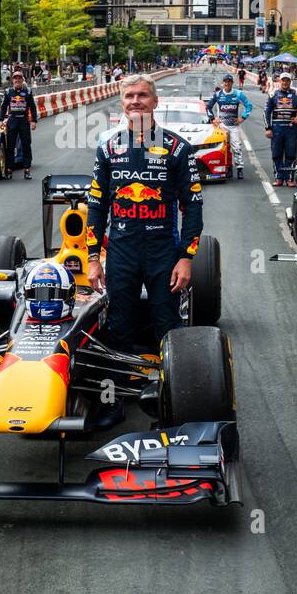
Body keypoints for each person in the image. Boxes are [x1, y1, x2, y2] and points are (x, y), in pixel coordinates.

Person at [86, 74, 203, 373]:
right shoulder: (109, 148)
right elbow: (97, 206)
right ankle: (115, 398)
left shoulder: (178, 148)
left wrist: (186, 258)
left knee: (166, 323)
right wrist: (93, 259)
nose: (136, 101)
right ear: (122, 103)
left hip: (163, 250)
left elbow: (193, 207)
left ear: (155, 101)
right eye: (129, 96)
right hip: (121, 250)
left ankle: (176, 399)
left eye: (142, 95)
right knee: (118, 325)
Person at [264, 71, 297, 187]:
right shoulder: (273, 94)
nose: (285, 82)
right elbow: (266, 112)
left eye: (287, 80)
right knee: (276, 154)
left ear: (290, 82)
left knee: (290, 154)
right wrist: (268, 128)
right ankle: (279, 177)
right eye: (283, 80)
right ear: (280, 81)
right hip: (276, 129)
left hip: (291, 130)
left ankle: (289, 178)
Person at [208, 72, 252, 179]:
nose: (227, 84)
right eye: (225, 82)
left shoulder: (238, 94)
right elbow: (208, 107)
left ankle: (239, 169)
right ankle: (228, 168)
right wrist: (213, 119)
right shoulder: (218, 94)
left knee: (236, 147)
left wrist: (242, 118)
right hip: (222, 126)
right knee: (224, 148)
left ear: (232, 83)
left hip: (234, 126)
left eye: (229, 82)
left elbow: (249, 106)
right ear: (223, 83)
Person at [0, 68, 38, 178]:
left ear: (22, 80)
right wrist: (1, 120)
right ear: (12, 80)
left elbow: (33, 107)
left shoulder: (28, 91)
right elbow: (3, 107)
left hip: (24, 121)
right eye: (15, 78)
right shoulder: (8, 92)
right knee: (10, 146)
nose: (17, 80)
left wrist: (34, 121)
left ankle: (26, 169)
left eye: (19, 78)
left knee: (26, 145)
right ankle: (10, 169)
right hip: (12, 120)